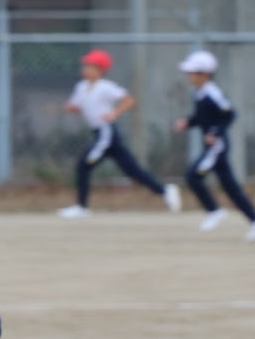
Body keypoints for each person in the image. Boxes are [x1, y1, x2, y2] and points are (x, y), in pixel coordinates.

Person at [56, 50, 180, 219]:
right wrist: (72, 109)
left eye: (89, 65)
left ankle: (81, 207)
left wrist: (114, 113)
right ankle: (165, 190)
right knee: (133, 171)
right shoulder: (81, 87)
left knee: (83, 165)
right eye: (85, 65)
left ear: (100, 70)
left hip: (106, 134)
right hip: (100, 134)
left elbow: (129, 100)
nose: (85, 68)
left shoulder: (105, 87)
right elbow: (79, 106)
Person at [173, 51, 255, 241]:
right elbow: (202, 118)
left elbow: (230, 115)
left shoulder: (212, 93)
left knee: (193, 176)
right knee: (230, 186)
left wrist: (214, 133)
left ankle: (214, 210)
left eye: (192, 72)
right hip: (214, 145)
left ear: (205, 74)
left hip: (217, 145)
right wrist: (188, 123)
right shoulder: (199, 93)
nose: (189, 76)